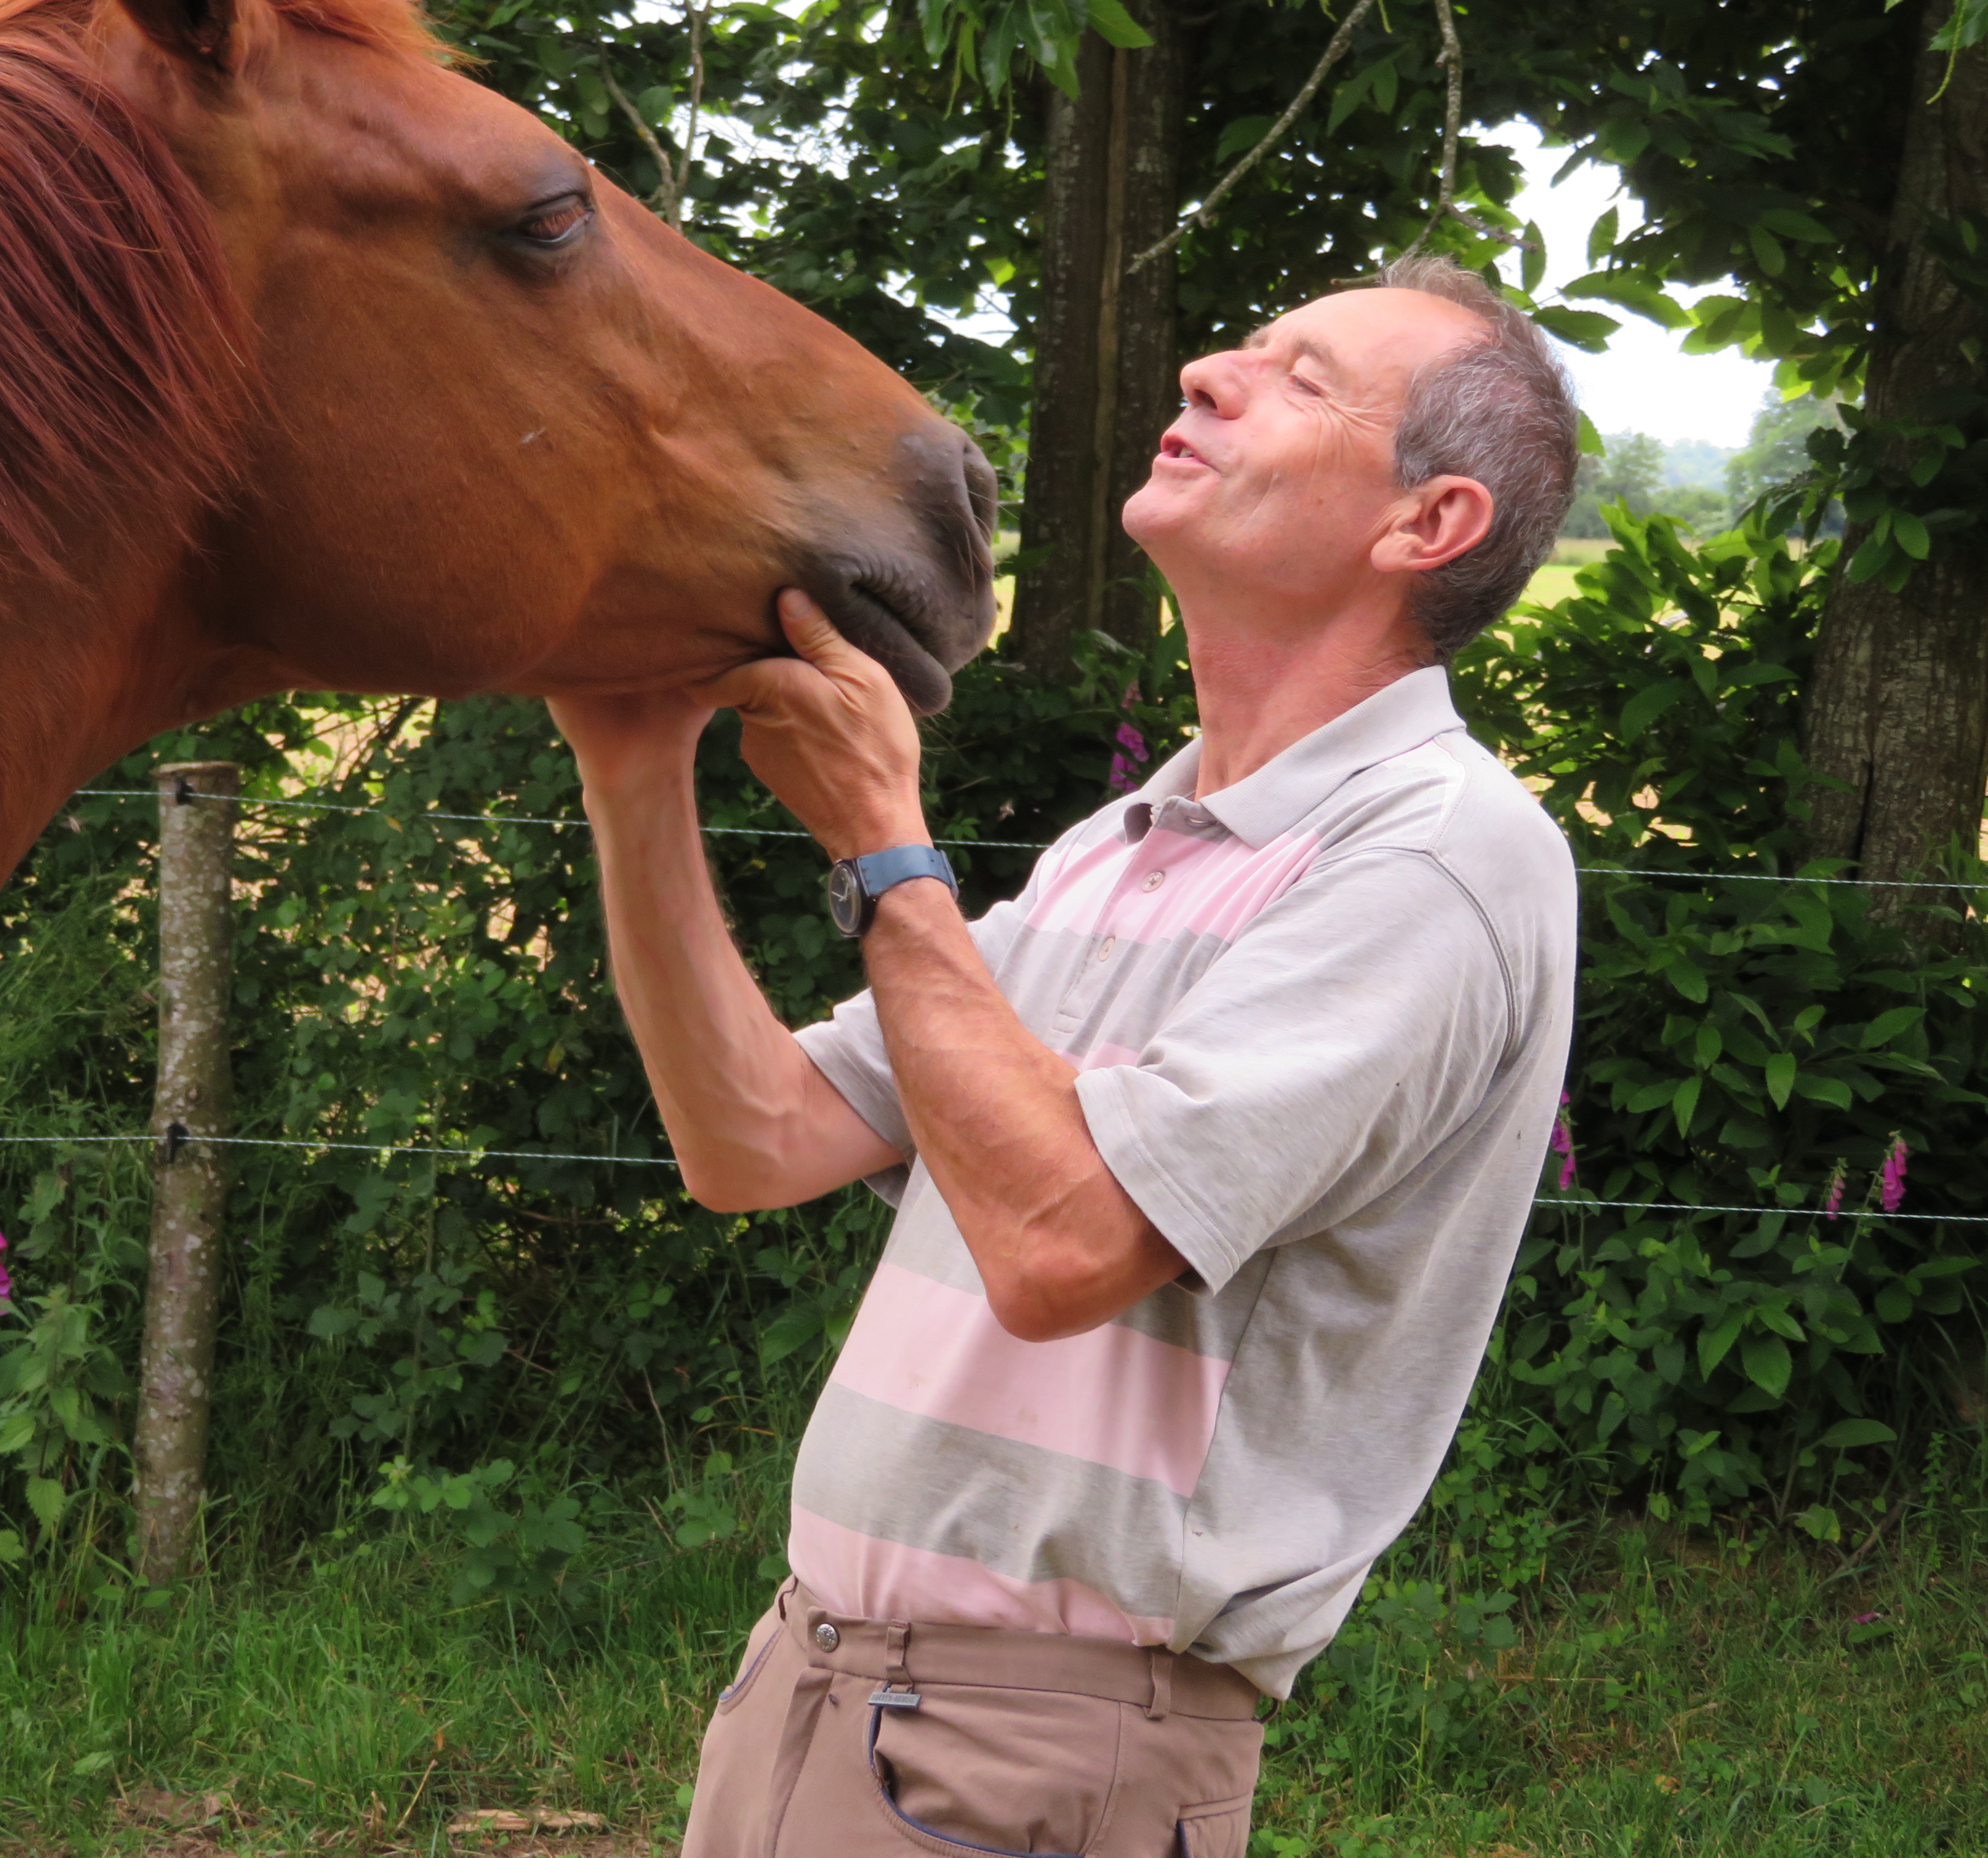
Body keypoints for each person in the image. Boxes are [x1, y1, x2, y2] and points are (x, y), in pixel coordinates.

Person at [550, 253, 1582, 1858]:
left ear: (1425, 525)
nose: (1207, 375)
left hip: (1034, 1757)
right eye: (1241, 340)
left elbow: (1060, 1246)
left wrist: (891, 852)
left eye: (1304, 377)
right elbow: (749, 1139)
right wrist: (634, 776)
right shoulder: (1126, 843)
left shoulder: (1437, 859)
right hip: (817, 1689)